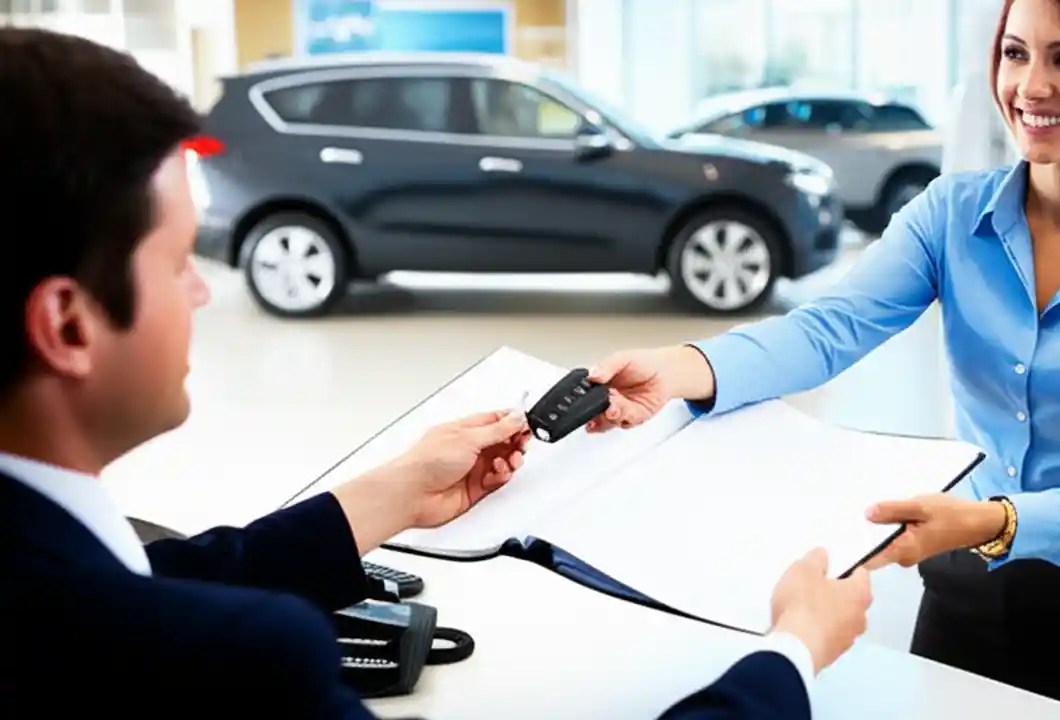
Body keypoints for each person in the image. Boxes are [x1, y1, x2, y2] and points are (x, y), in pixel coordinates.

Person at [0, 27, 872, 719]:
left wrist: (395, 493)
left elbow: (150, 583)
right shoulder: (241, 663)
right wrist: (789, 654)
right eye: (179, 260)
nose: (201, 293)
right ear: (68, 324)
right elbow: (152, 618)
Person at [584, 1, 1060, 719]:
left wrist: (993, 522)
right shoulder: (952, 215)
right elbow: (830, 328)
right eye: (1015, 53)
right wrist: (682, 367)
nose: (1029, 86)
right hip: (966, 594)